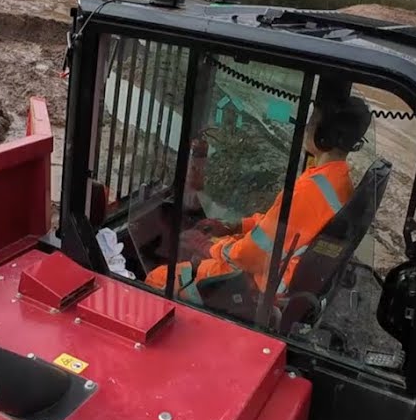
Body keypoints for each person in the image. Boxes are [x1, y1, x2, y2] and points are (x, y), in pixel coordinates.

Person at [145, 94, 373, 306]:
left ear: (324, 136)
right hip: (273, 276)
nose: (306, 128)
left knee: (157, 279)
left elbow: (249, 256)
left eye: (312, 122)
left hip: (256, 289)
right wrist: (233, 227)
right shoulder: (337, 179)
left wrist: (206, 246)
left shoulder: (310, 190)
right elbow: (279, 228)